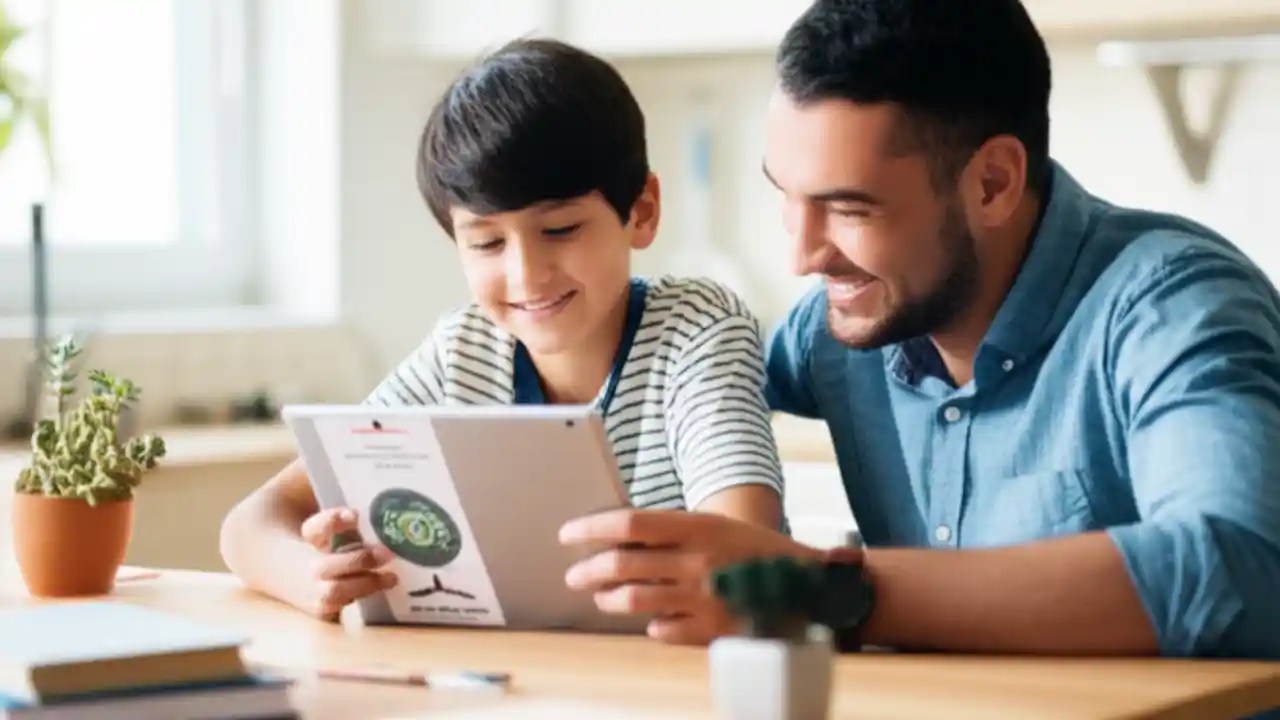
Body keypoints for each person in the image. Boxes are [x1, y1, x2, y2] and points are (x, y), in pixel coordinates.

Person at [558, 0, 1280, 657]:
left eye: (850, 209)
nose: (803, 256)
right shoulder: (838, 324)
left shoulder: (1171, 305)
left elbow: (1240, 569)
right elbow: (680, 371)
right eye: (789, 198)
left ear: (992, 183)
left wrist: (823, 591)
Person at [220, 39, 786, 621]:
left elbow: (747, 557)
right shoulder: (462, 354)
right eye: (488, 242)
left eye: (560, 230)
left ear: (640, 212)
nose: (527, 274)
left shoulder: (697, 332)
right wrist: (312, 576)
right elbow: (250, 524)